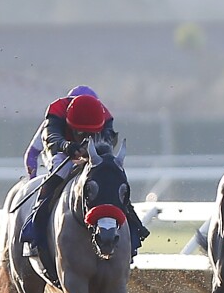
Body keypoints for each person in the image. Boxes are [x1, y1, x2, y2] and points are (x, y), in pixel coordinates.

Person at [22, 87, 150, 258]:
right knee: (57, 177)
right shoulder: (56, 111)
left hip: (94, 152)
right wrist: (68, 146)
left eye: (89, 132)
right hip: (62, 152)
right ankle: (34, 230)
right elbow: (52, 137)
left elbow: (110, 139)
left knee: (113, 180)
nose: (83, 135)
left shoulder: (105, 115)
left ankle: (134, 232)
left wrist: (95, 149)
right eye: (80, 132)